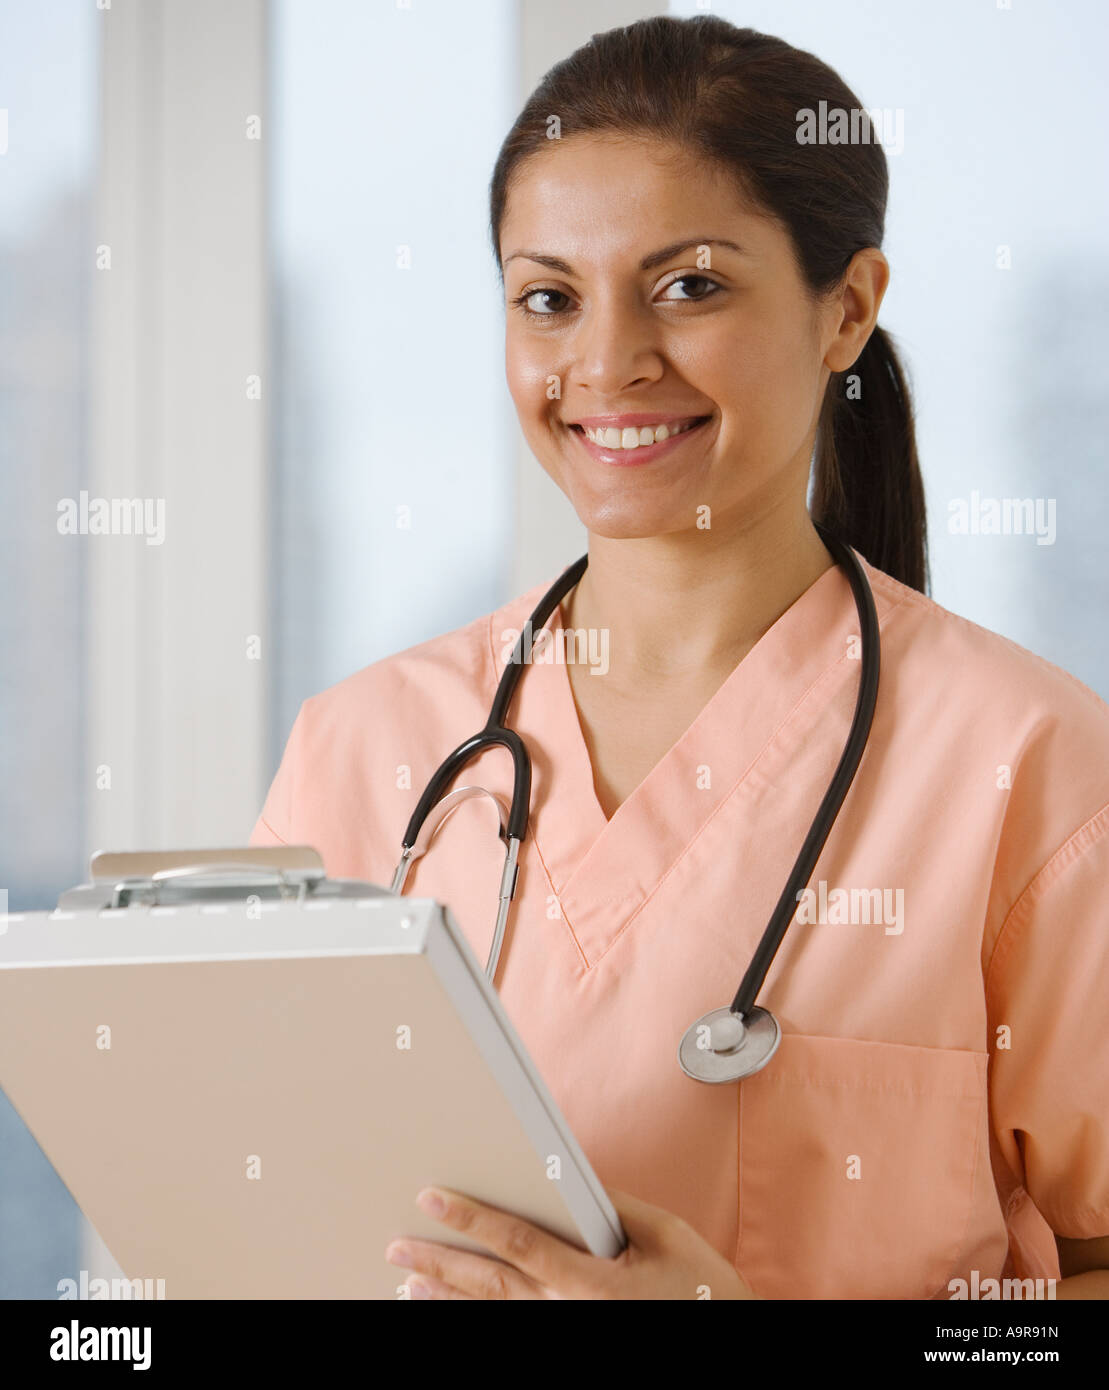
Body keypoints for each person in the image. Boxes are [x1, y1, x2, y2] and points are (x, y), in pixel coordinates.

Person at [249, 15, 1109, 1299]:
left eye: (688, 287)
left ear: (845, 310)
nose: (606, 363)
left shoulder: (1027, 765)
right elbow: (258, 1218)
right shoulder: (360, 751)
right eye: (548, 298)